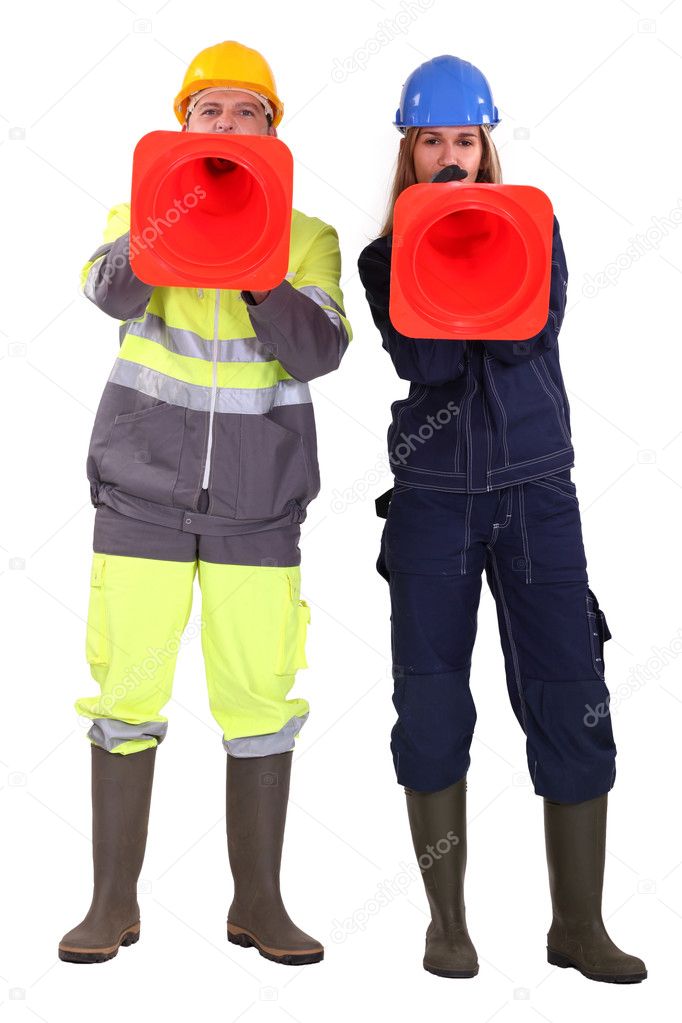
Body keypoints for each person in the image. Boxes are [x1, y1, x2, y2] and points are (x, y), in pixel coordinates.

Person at [59, 40, 351, 966]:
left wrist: (260, 258)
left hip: (260, 511)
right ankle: (112, 904)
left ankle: (258, 905)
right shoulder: (139, 208)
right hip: (140, 496)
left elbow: (321, 352)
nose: (227, 126)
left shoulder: (308, 237)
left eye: (248, 112)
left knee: (261, 698)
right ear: (183, 123)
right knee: (126, 691)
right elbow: (109, 292)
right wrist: (168, 221)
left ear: (274, 130)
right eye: (210, 111)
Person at [357, 54, 646, 984]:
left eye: (465, 142)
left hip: (537, 494)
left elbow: (525, 333)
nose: (450, 158)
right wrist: (430, 247)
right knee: (433, 704)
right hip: (435, 501)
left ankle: (579, 925)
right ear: (410, 150)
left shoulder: (535, 225)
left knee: (571, 690)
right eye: (432, 141)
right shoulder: (379, 255)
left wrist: (484, 241)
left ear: (489, 147)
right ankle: (448, 924)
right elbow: (429, 368)